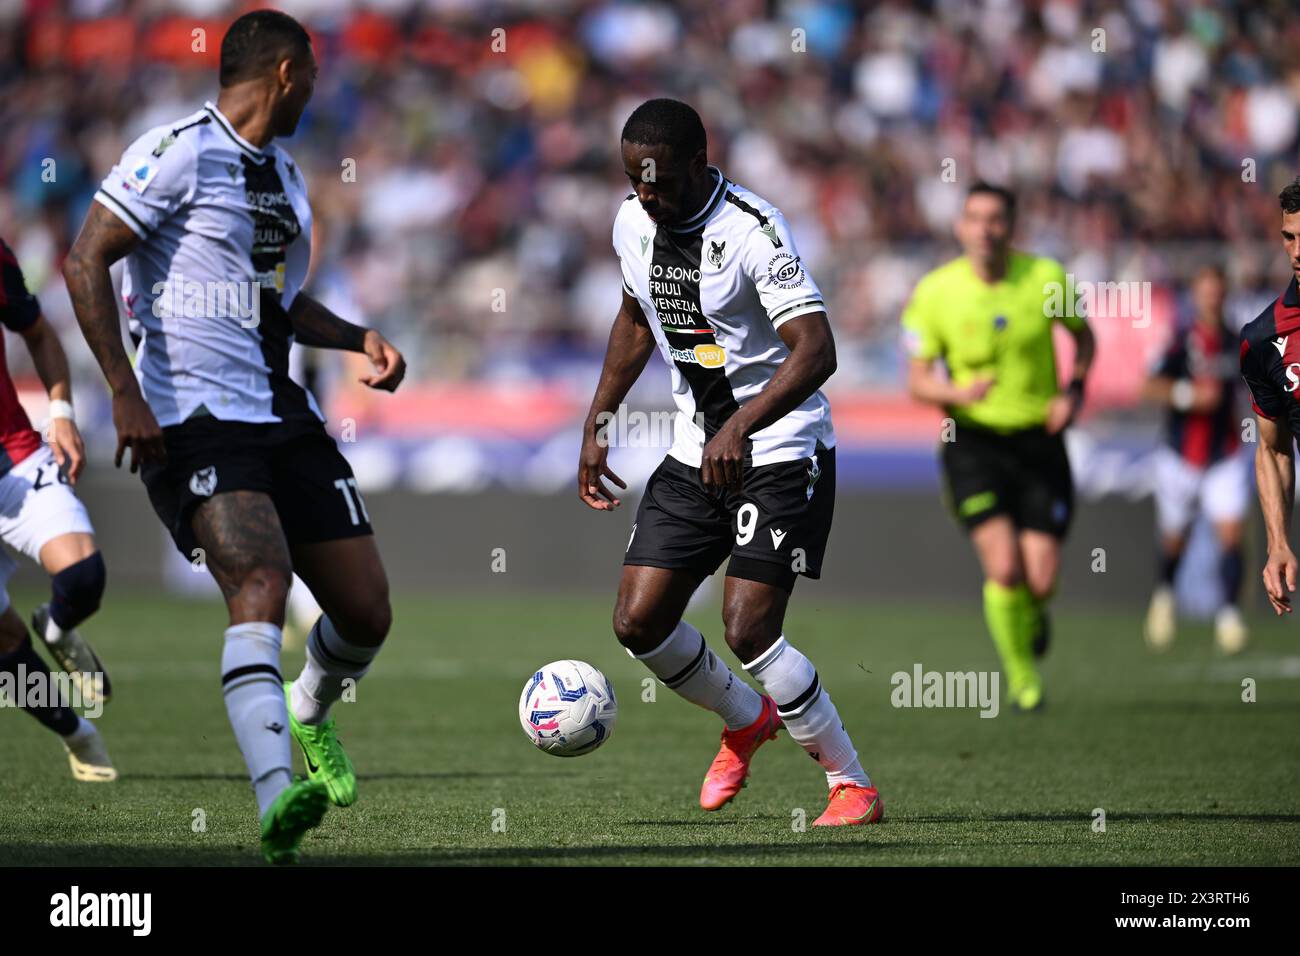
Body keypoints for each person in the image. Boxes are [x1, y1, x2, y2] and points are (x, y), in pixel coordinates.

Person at [63, 10, 406, 863]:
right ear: (286, 75)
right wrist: (123, 392)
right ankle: (275, 792)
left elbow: (279, 303)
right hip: (191, 419)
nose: (317, 91)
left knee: (365, 611)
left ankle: (308, 711)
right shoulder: (175, 150)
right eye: (314, 77)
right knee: (259, 577)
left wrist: (356, 337)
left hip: (280, 412)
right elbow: (84, 260)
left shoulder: (286, 176)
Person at [578, 98, 882, 827]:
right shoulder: (632, 222)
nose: (644, 196)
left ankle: (852, 785)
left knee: (748, 628)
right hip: (696, 448)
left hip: (780, 447)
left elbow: (818, 348)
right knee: (638, 622)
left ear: (699, 164)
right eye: (633, 180)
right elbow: (631, 319)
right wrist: (599, 421)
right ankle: (746, 721)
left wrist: (742, 424)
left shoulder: (752, 231)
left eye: (657, 181)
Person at [903, 182, 1095, 712]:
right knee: (1004, 568)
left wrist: (1072, 392)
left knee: (1041, 578)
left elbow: (1083, 338)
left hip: (1040, 441)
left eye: (996, 219)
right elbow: (917, 380)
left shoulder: (1045, 278)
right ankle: (1022, 680)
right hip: (973, 442)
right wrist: (956, 392)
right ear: (960, 226)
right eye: (975, 218)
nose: (985, 229)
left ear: (1012, 226)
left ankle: (1033, 613)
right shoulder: (936, 291)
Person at [0, 237, 114, 781]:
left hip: (15, 457)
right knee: (2, 642)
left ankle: (60, 625)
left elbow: (40, 334)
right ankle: (77, 732)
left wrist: (62, 411)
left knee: (85, 573)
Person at [1142, 264, 1250, 653]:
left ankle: (1228, 615)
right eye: (1205, 291)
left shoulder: (1238, 341)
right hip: (1180, 456)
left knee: (1232, 535)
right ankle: (1164, 593)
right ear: (1196, 295)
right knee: (1174, 539)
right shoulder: (1179, 341)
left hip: (1225, 454)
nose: (1212, 298)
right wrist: (1188, 395)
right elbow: (1149, 385)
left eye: (1218, 291)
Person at [1241, 177, 1300, 620]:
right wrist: (1278, 542)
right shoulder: (1263, 340)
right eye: (1289, 237)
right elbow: (1274, 449)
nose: (1297, 252)